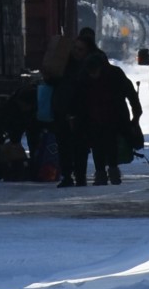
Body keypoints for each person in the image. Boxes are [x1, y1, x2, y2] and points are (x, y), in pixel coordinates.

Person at [56, 26, 104, 187]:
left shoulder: (94, 63)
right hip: (64, 109)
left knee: (80, 145)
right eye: (75, 48)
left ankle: (80, 176)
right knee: (64, 144)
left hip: (84, 111)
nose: (76, 52)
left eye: (80, 49)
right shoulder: (65, 62)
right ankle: (67, 175)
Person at [93, 51, 143, 186]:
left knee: (102, 145)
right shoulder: (115, 72)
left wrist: (136, 112)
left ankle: (102, 174)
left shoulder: (92, 74)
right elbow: (131, 93)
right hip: (113, 116)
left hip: (109, 116)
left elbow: (130, 93)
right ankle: (110, 173)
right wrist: (136, 112)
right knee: (109, 144)